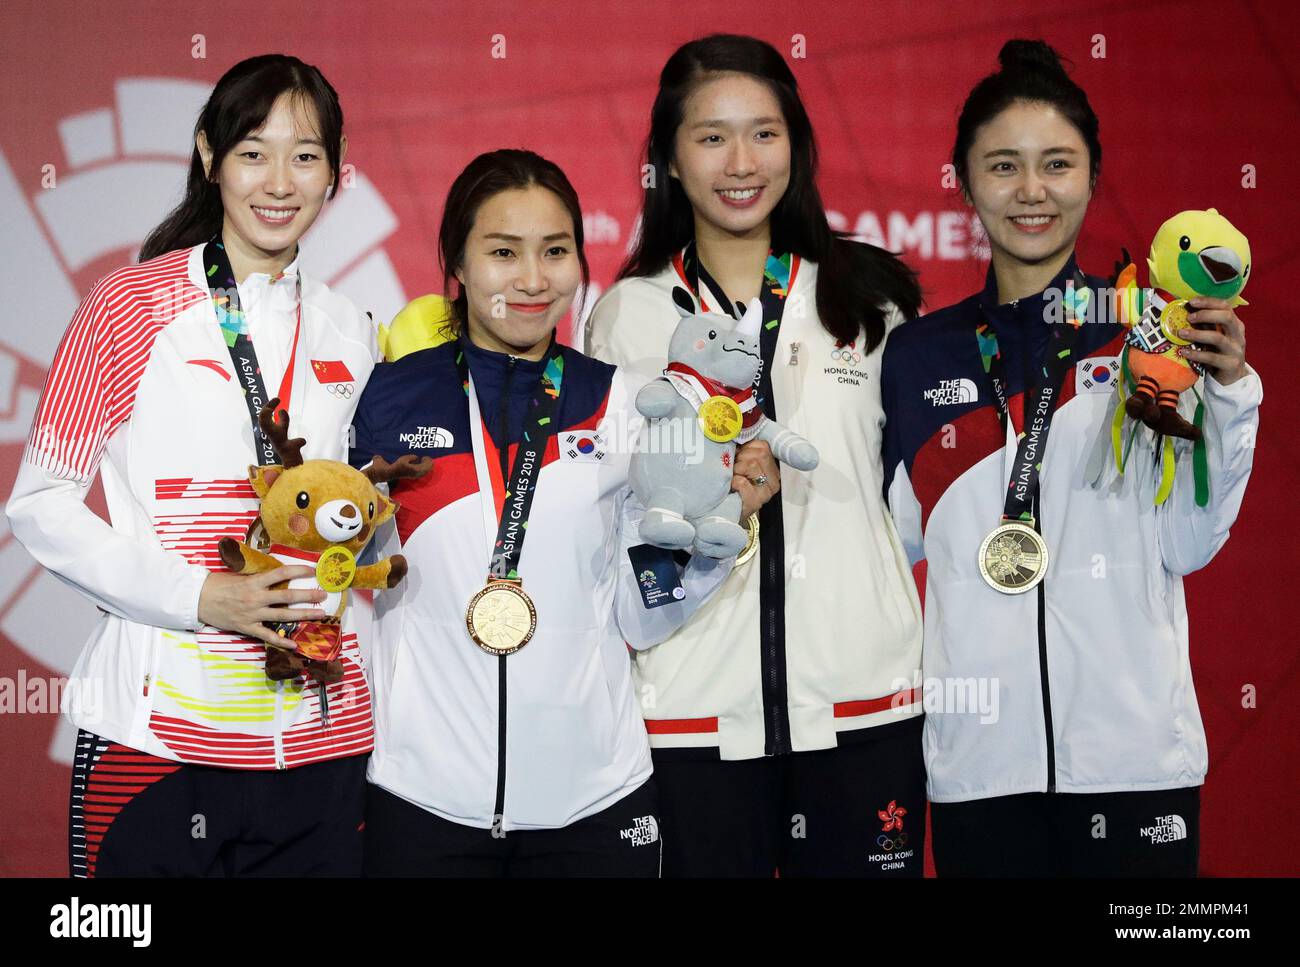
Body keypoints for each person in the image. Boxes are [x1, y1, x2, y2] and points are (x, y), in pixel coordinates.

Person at [881, 39, 1261, 877]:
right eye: (1004, 165)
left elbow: (1189, 543)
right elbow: (885, 550)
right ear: (965, 180)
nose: (1032, 191)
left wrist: (1232, 393)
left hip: (1135, 767)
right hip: (981, 775)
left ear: (1093, 174)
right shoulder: (916, 356)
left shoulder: (1148, 335)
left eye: (1057, 163)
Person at [6, 54, 380, 876]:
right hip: (158, 740)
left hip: (322, 744)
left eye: (306, 155)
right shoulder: (126, 308)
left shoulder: (354, 328)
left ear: (335, 171)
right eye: (253, 152)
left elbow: (366, 525)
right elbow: (41, 503)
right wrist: (200, 595)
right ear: (209, 157)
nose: (279, 181)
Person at [353, 148, 760, 877]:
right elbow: (353, 580)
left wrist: (711, 547)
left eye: (555, 251)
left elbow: (641, 612)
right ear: (457, 258)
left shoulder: (626, 403)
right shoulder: (385, 399)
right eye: (503, 252)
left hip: (595, 807)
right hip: (423, 803)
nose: (533, 280)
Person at [585, 34, 927, 877]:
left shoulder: (870, 298)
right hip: (689, 714)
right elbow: (611, 521)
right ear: (668, 156)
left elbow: (914, 506)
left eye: (764, 133)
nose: (740, 161)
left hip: (861, 709)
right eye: (710, 137)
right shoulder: (625, 313)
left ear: (798, 147)